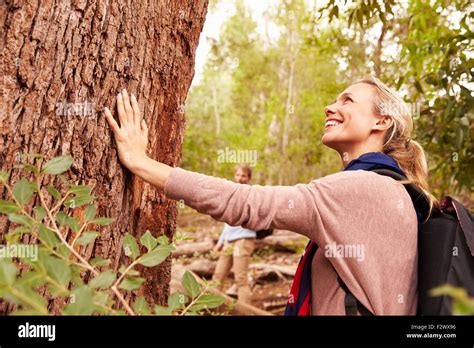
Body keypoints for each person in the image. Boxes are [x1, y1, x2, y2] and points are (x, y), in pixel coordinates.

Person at [104, 76, 437, 315]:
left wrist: (141, 163)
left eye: (347, 100)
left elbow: (244, 203)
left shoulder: (360, 187)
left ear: (381, 121)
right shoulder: (398, 189)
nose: (329, 107)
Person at [212, 164, 256, 304]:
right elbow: (227, 223)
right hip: (229, 241)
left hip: (244, 239)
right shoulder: (232, 192)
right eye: (238, 175)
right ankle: (213, 308)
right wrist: (220, 243)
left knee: (241, 279)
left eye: (243, 175)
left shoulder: (252, 193)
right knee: (218, 276)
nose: (240, 178)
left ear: (248, 178)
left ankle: (246, 312)